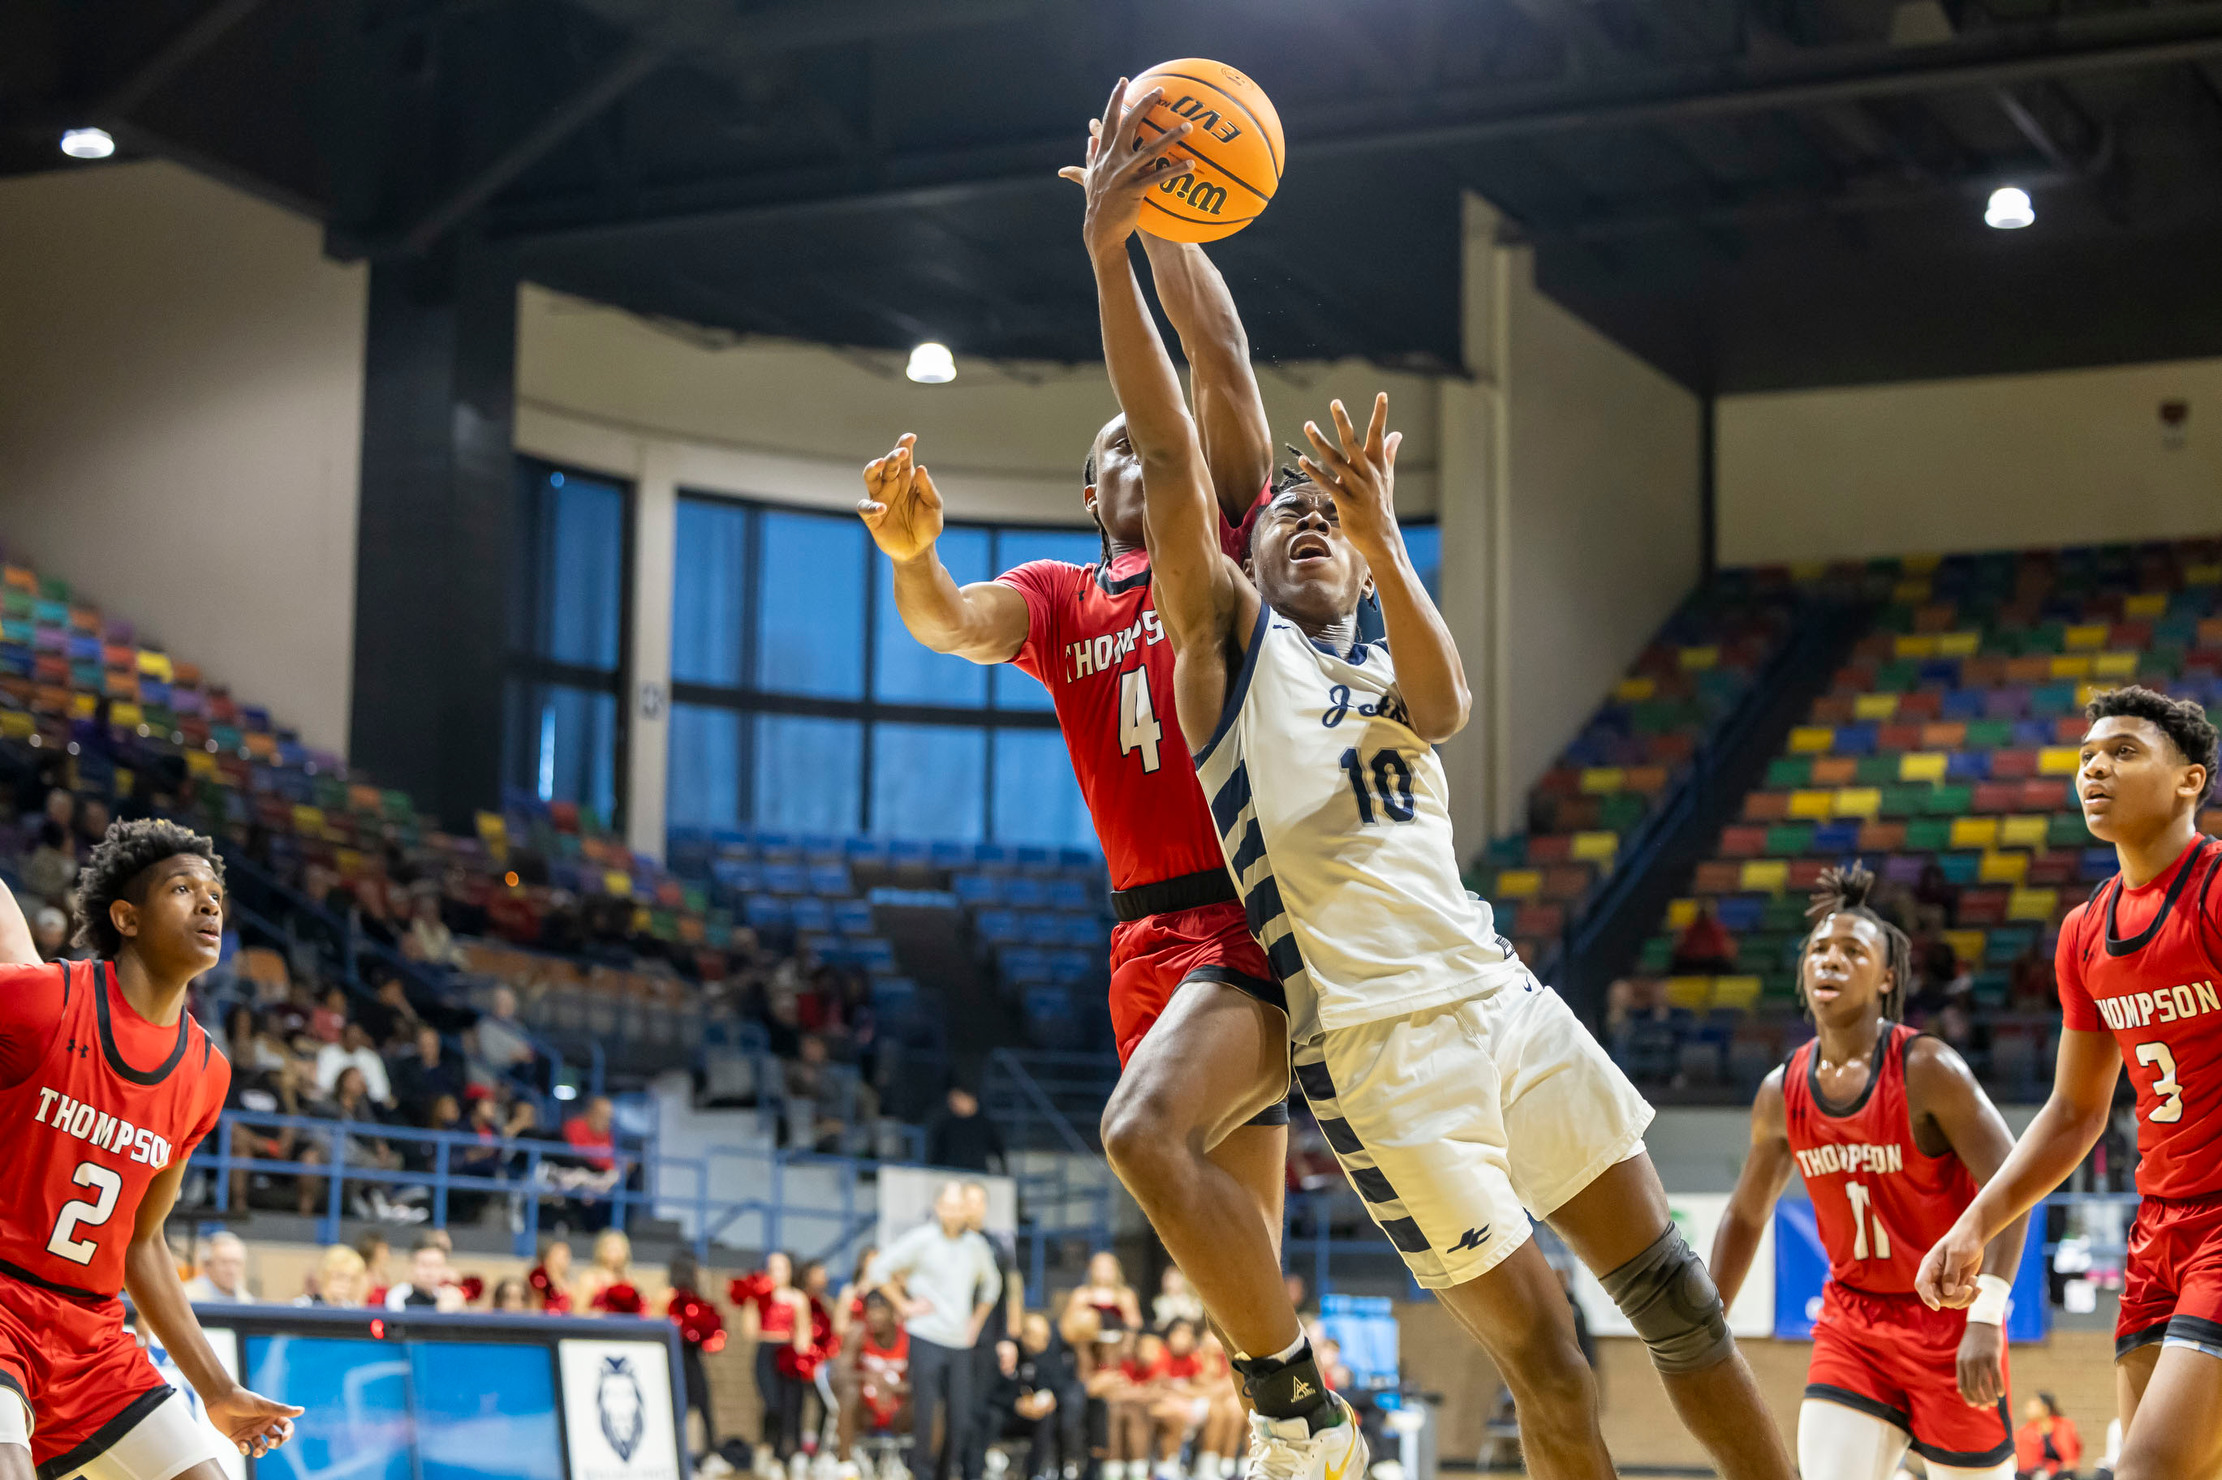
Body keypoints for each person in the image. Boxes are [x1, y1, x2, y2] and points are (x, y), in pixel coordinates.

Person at [1072, 78, 1793, 1480]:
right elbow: (1180, 431)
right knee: (1549, 1365)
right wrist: (1122, 242)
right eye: (1278, 515)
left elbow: (1450, 702)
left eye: (1320, 516)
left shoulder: (1394, 652)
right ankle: (1297, 1406)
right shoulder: (1224, 651)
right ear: (1243, 558)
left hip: (1505, 1006)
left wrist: (1386, 535)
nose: (1300, 524)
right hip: (1380, 1063)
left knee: (1678, 1302)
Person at [861, 90, 1307, 1469]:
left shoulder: (1220, 544)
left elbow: (1218, 362)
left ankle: (1298, 1403)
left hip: (1244, 917)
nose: (1139, 446)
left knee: (1145, 1150)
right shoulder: (1059, 595)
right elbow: (948, 627)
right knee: (1235, 1282)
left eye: (1147, 436)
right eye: (1117, 443)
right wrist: (910, 555)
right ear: (1086, 486)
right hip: (1136, 937)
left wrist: (1164, 221)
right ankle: (1290, 1435)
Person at [1920, 687, 2222, 1480]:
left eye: (2123, 753)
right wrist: (1973, 1226)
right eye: (2086, 757)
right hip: (2159, 1227)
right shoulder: (2085, 932)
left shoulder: (2218, 892)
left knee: (2148, 1466)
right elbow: (2074, 1112)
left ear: (2190, 780)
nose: (2095, 769)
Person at [0, 818, 301, 1480]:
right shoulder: (43, 1003)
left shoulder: (205, 1072)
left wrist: (217, 1389)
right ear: (126, 918)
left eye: (215, 893)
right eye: (182, 888)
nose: (208, 903)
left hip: (93, 1338)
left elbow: (141, 1241)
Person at [1711, 865, 2026, 1480]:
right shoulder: (1781, 1091)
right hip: (1852, 1324)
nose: (1830, 960)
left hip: (1948, 1318)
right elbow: (1747, 1212)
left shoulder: (1927, 1067)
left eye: (1852, 951)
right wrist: (1708, 1319)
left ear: (1886, 978)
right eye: (1820, 950)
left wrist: (1989, 1313)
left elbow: (2014, 1186)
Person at [867, 1182, 1002, 1480]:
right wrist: (903, 1305)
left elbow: (992, 1285)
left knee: (960, 1419)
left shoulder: (976, 1246)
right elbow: (879, 1270)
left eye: (958, 1207)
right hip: (926, 1337)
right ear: (938, 1208)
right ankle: (922, 1474)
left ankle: (944, 1473)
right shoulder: (921, 1239)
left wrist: (976, 1321)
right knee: (927, 1415)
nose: (954, 1213)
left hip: (960, 1343)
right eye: (948, 1206)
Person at [737, 1252, 809, 1471]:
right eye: (773, 1268)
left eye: (783, 1268)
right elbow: (749, 1330)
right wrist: (757, 1300)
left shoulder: (798, 1298)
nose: (779, 1273)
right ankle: (768, 1448)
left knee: (792, 1405)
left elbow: (804, 1331)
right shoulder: (758, 1297)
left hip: (789, 1354)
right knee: (773, 1403)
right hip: (767, 1352)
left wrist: (803, 1360)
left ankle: (787, 1454)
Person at [664, 1253, 727, 1460]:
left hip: (693, 1357)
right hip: (673, 1358)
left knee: (702, 1403)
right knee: (676, 1405)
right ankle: (675, 1453)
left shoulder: (698, 1302)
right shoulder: (668, 1297)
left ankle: (709, 1454)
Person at [841, 1293, 911, 1474]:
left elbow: (922, 1384)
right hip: (867, 1411)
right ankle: (847, 1468)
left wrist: (893, 1388)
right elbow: (838, 1374)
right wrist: (869, 1378)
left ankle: (929, 1467)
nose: (873, 1316)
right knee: (848, 1393)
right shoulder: (858, 1333)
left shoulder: (909, 1338)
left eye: (880, 1310)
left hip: (899, 1413)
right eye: (869, 1311)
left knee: (931, 1401)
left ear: (893, 1312)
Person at [923, 1088, 1005, 1175]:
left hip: (977, 1175)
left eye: (957, 1099)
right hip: (950, 1175)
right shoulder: (946, 1125)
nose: (954, 1103)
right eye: (951, 1101)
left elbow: (998, 1149)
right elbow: (937, 1154)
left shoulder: (985, 1125)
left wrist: (1003, 1170)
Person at [313, 1021, 392, 1108]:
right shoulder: (328, 1052)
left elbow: (380, 1090)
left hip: (366, 1104)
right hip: (333, 1101)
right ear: (343, 1037)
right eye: (350, 1037)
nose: (353, 1041)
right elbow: (323, 1083)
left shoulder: (371, 1058)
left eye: (357, 1038)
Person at [2013, 1393, 2081, 1479]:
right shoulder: (2025, 1431)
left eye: (2033, 1406)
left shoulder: (2064, 1427)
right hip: (2035, 1473)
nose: (2027, 1410)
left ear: (2045, 1408)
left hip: (2059, 1473)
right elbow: (2025, 1462)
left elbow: (2072, 1456)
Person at [182, 1232, 256, 1304]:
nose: (231, 1270)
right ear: (207, 1266)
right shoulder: (187, 1297)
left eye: (237, 1263)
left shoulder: (247, 1301)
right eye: (224, 1263)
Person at [529, 1236, 574, 1314]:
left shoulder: (571, 1285)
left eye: (567, 1256)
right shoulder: (539, 1278)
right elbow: (533, 1306)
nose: (566, 1260)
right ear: (548, 1257)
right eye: (560, 1255)